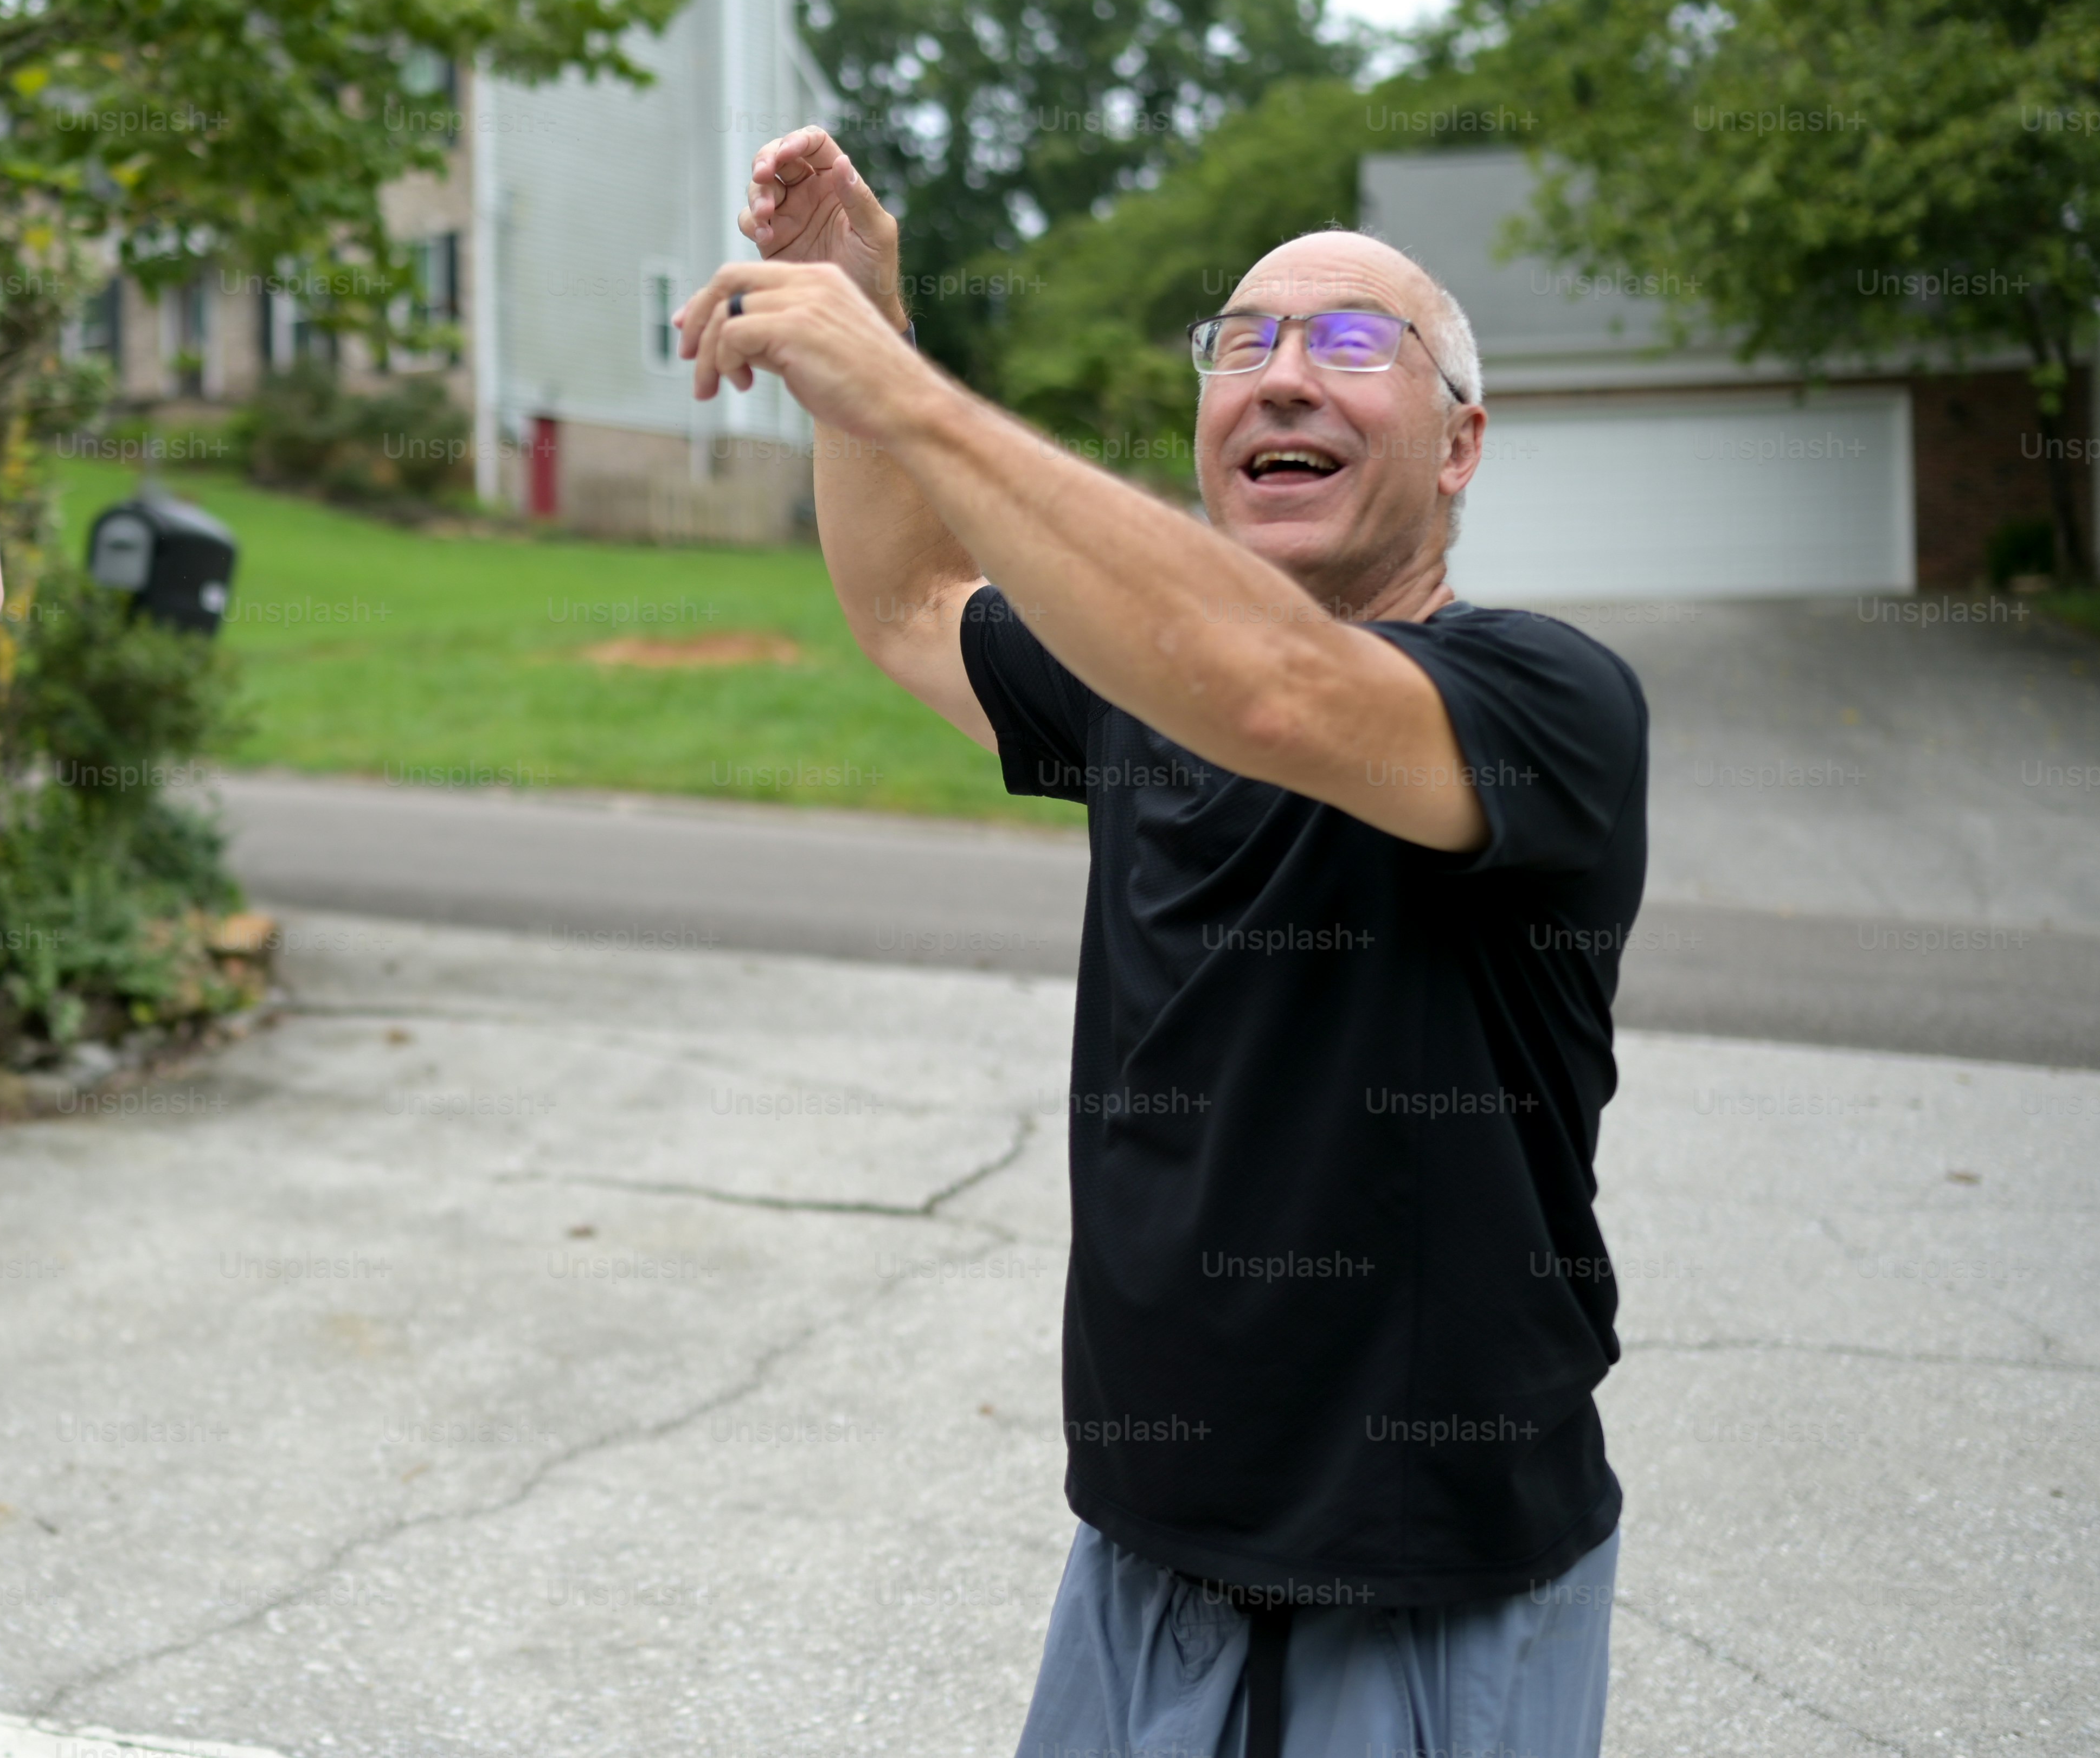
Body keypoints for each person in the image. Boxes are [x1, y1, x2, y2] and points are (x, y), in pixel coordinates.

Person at [682, 130, 1644, 1758]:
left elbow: (1283, 690)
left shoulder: (1547, 705)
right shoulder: (1137, 690)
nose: (1282, 377)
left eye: (1351, 343)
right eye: (1244, 343)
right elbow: (917, 603)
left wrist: (909, 394)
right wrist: (867, 347)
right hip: (1147, 1540)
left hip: (1423, 1571)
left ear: (1462, 444)